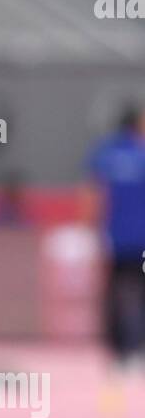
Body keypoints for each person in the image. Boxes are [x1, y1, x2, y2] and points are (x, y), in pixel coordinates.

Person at [84, 104, 145, 374]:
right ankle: (134, 350)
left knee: (117, 293)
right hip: (139, 238)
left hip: (116, 238)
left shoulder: (105, 152)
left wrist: (92, 229)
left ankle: (119, 352)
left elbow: (93, 195)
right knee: (135, 294)